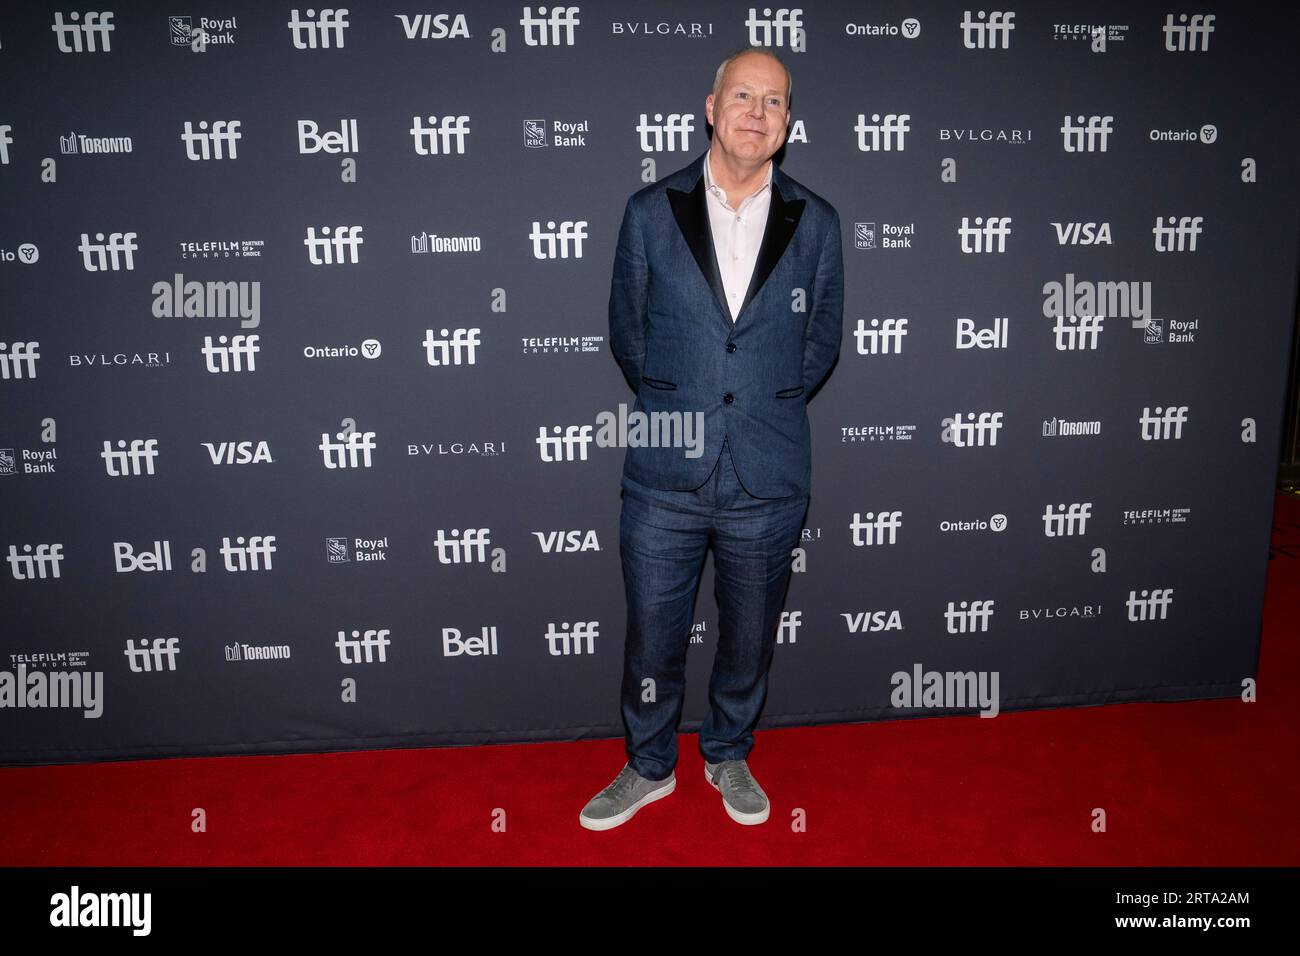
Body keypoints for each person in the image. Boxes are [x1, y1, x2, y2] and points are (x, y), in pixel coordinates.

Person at [580, 46, 844, 830]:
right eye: (743, 96)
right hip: (665, 471)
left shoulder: (818, 221)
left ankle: (728, 752)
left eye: (774, 101)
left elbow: (819, 342)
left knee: (749, 638)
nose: (757, 113)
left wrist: (754, 405)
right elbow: (629, 334)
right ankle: (649, 765)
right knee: (652, 641)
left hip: (768, 473)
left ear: (787, 121)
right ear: (711, 106)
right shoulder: (648, 211)